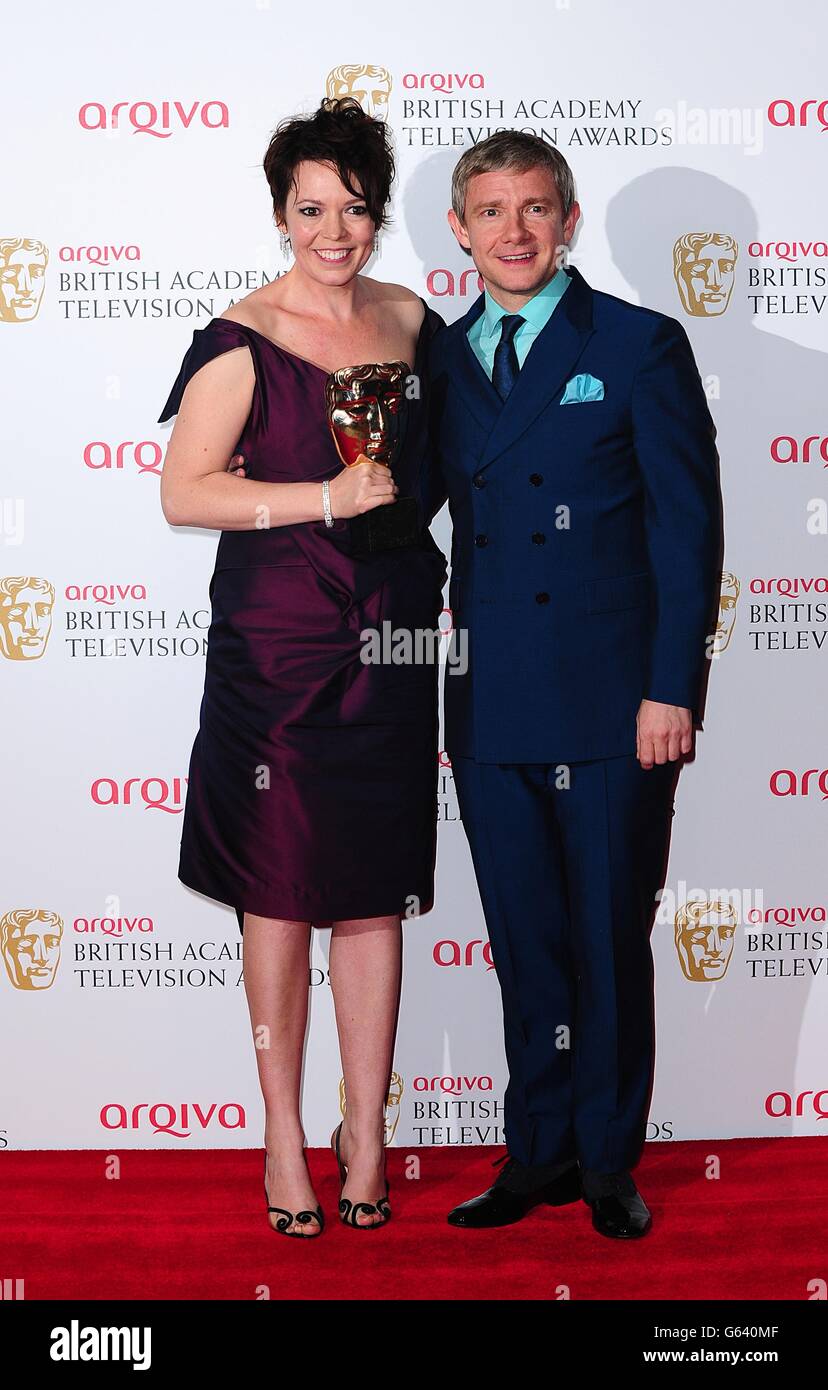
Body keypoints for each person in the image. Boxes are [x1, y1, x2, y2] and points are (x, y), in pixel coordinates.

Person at [423, 131, 722, 1238]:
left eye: (535, 209)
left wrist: (670, 687)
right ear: (460, 229)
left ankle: (607, 1159)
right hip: (492, 699)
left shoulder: (642, 344)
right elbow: (406, 521)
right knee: (527, 941)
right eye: (492, 212)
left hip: (613, 703)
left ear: (570, 220)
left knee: (606, 936)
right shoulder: (443, 362)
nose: (514, 231)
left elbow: (689, 533)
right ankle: (536, 1151)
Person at [157, 97, 447, 1236]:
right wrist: (320, 498)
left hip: (388, 639)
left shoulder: (413, 320)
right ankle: (282, 1133)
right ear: (280, 213)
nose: (335, 232)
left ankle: (363, 1130)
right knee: (277, 896)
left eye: (356, 210)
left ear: (377, 213)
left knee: (373, 892)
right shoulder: (242, 337)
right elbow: (185, 492)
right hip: (277, 651)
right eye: (311, 209)